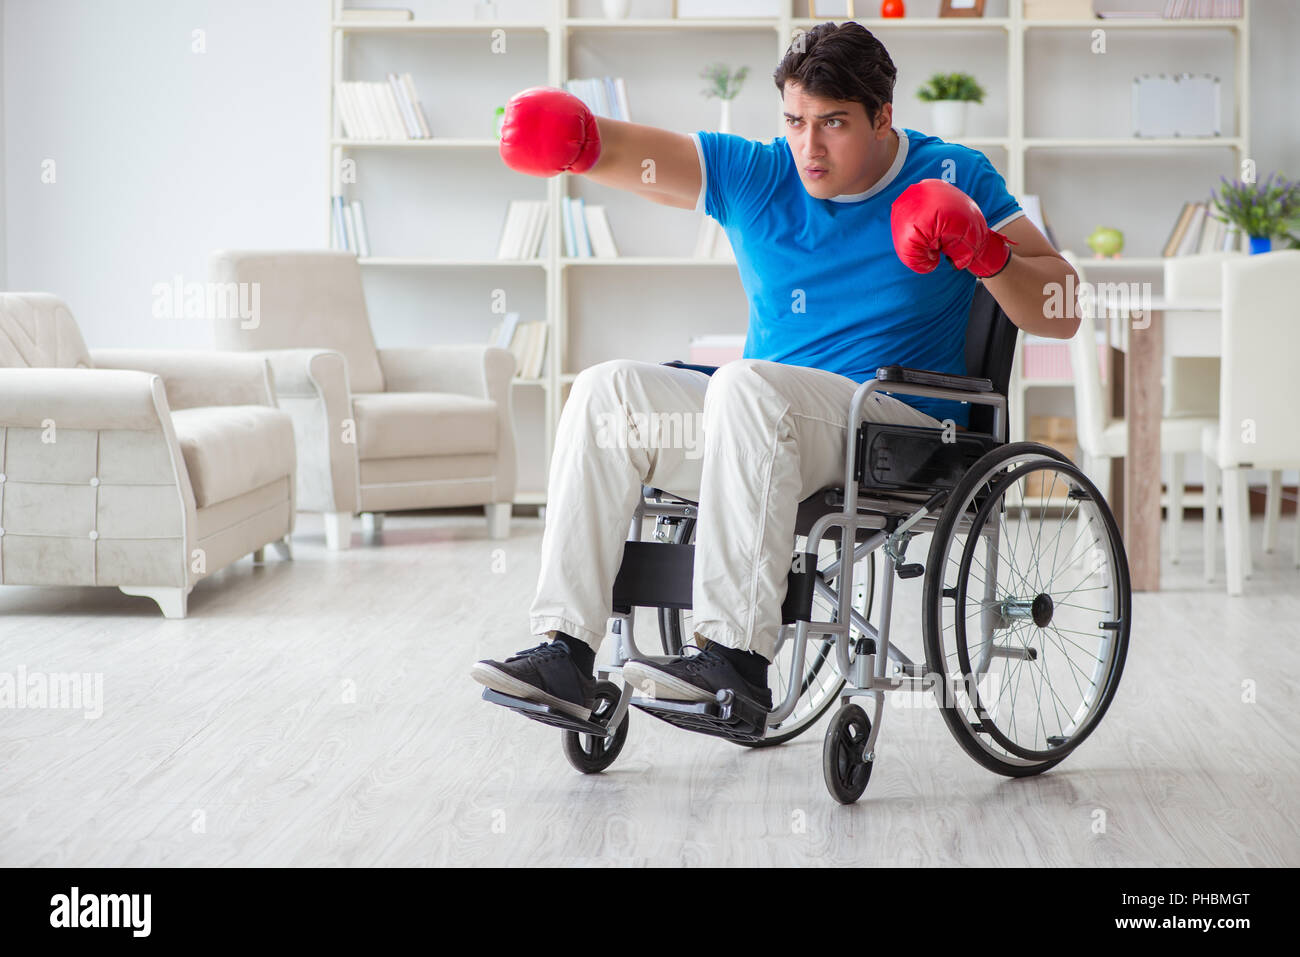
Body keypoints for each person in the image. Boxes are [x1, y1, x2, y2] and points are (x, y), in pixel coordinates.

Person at [470, 21, 1079, 721]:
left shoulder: (954, 173)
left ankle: (734, 660)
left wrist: (984, 250)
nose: (808, 148)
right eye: (794, 121)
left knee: (745, 384)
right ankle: (566, 652)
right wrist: (578, 143)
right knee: (608, 391)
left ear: (884, 117)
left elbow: (1062, 308)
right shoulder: (760, 174)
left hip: (897, 427)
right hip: (759, 426)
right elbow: (638, 153)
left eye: (833, 124)